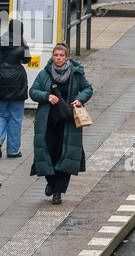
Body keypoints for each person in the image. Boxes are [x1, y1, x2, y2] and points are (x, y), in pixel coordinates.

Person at [30, 42, 92, 205]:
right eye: (56, 55)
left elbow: (88, 89)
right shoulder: (45, 74)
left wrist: (80, 99)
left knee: (67, 156)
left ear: (67, 57)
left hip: (69, 121)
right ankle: (50, 182)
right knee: (45, 154)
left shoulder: (76, 73)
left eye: (61, 55)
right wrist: (47, 96)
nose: (58, 58)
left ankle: (57, 192)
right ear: (53, 57)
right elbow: (33, 92)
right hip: (48, 121)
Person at [0, 18, 30, 158]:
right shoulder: (21, 45)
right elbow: (27, 60)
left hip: (1, 81)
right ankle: (13, 150)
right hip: (17, 82)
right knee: (16, 117)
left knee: (1, 114)